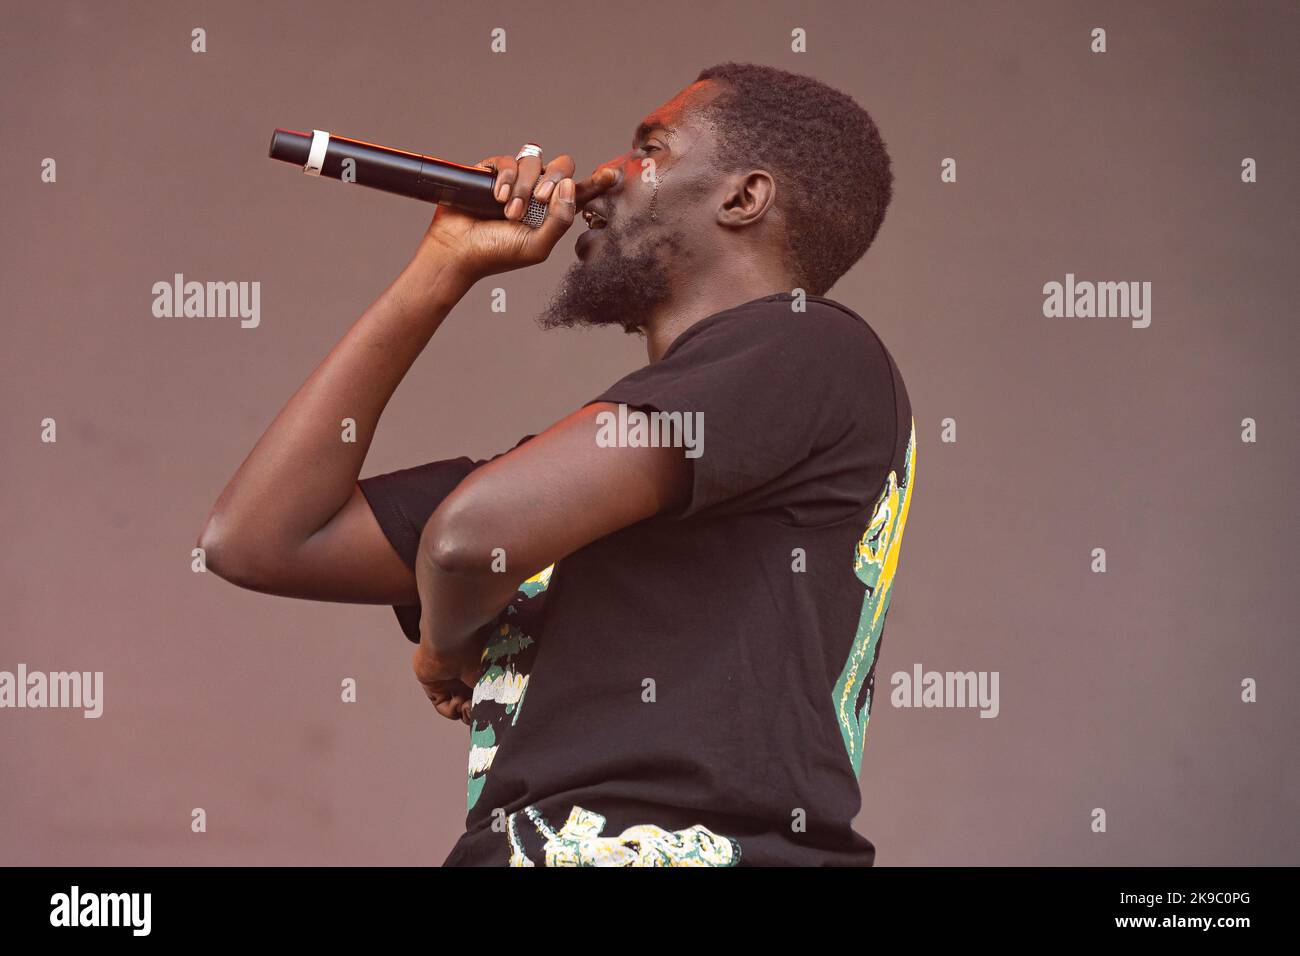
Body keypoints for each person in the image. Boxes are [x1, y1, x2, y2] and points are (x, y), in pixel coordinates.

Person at [198, 62, 916, 867]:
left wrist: (443, 643)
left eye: (651, 148)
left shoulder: (812, 345)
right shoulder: (574, 486)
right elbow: (256, 538)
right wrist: (444, 264)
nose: (605, 174)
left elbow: (468, 539)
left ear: (743, 199)